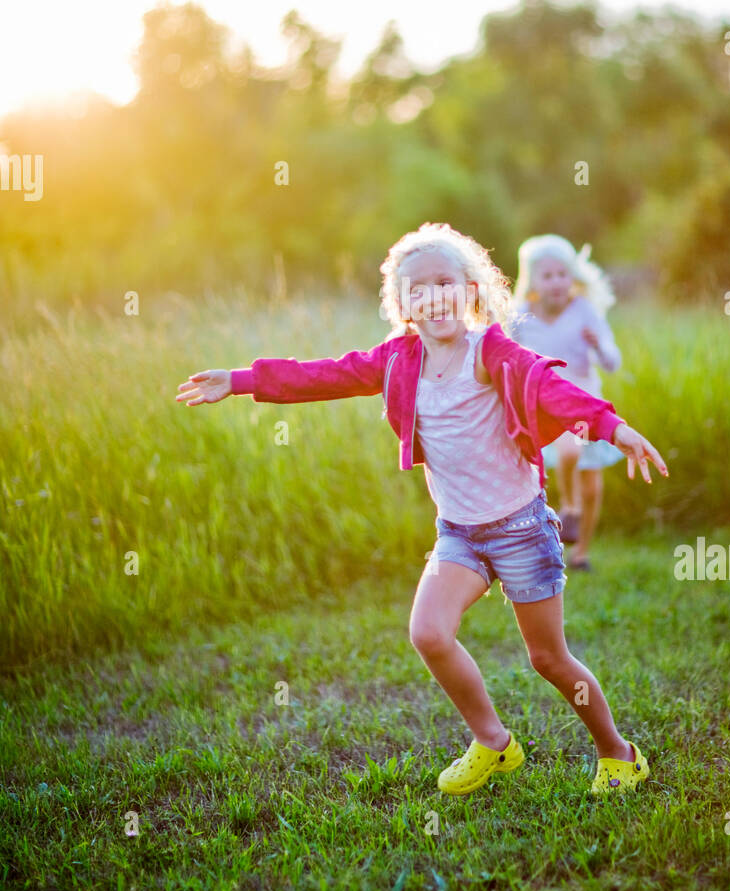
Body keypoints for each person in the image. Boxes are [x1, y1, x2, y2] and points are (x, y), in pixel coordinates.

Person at [175, 222, 667, 798]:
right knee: (429, 634)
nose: (433, 295)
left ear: (471, 291)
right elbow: (324, 374)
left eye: (444, 281)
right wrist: (239, 380)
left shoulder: (490, 352)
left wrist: (612, 427)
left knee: (548, 658)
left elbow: (548, 388)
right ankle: (494, 743)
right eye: (418, 288)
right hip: (458, 533)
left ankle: (619, 754)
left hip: (521, 528)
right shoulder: (397, 360)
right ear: (403, 305)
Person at [512, 235, 623, 571]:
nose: (557, 282)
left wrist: (599, 347)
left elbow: (613, 361)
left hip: (586, 403)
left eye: (563, 273)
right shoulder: (520, 317)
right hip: (545, 410)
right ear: (532, 281)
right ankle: (567, 511)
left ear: (572, 276)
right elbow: (506, 359)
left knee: (592, 484)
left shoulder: (584, 310)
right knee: (568, 453)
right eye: (547, 275)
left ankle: (581, 551)